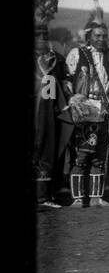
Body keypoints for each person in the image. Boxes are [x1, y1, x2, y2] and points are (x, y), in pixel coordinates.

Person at [62, 0, 109, 208]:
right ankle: (78, 198)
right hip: (84, 110)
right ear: (89, 36)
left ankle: (96, 197)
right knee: (82, 154)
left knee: (100, 155)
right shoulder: (77, 54)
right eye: (97, 36)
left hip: (105, 110)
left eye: (104, 36)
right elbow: (67, 81)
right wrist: (73, 99)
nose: (101, 39)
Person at [34, 29, 70, 209]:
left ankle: (45, 195)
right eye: (37, 36)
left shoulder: (57, 60)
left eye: (45, 36)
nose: (41, 40)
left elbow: (63, 85)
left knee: (49, 149)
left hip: (50, 112)